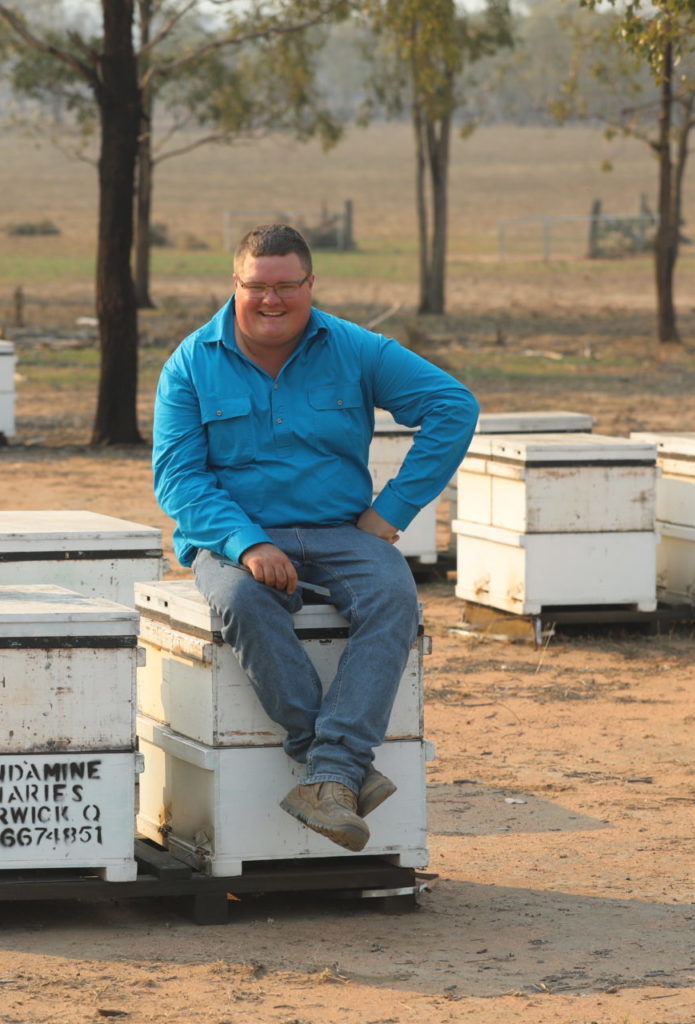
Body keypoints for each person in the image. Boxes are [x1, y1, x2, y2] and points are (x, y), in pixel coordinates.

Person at [152, 224, 478, 852]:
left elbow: (453, 406)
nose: (271, 300)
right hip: (233, 535)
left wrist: (391, 512)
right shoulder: (191, 363)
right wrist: (248, 543)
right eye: (257, 286)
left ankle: (328, 770)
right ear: (235, 284)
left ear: (309, 285)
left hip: (339, 530)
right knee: (243, 601)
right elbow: (179, 478)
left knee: (394, 595)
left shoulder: (356, 349)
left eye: (286, 286)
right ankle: (335, 766)